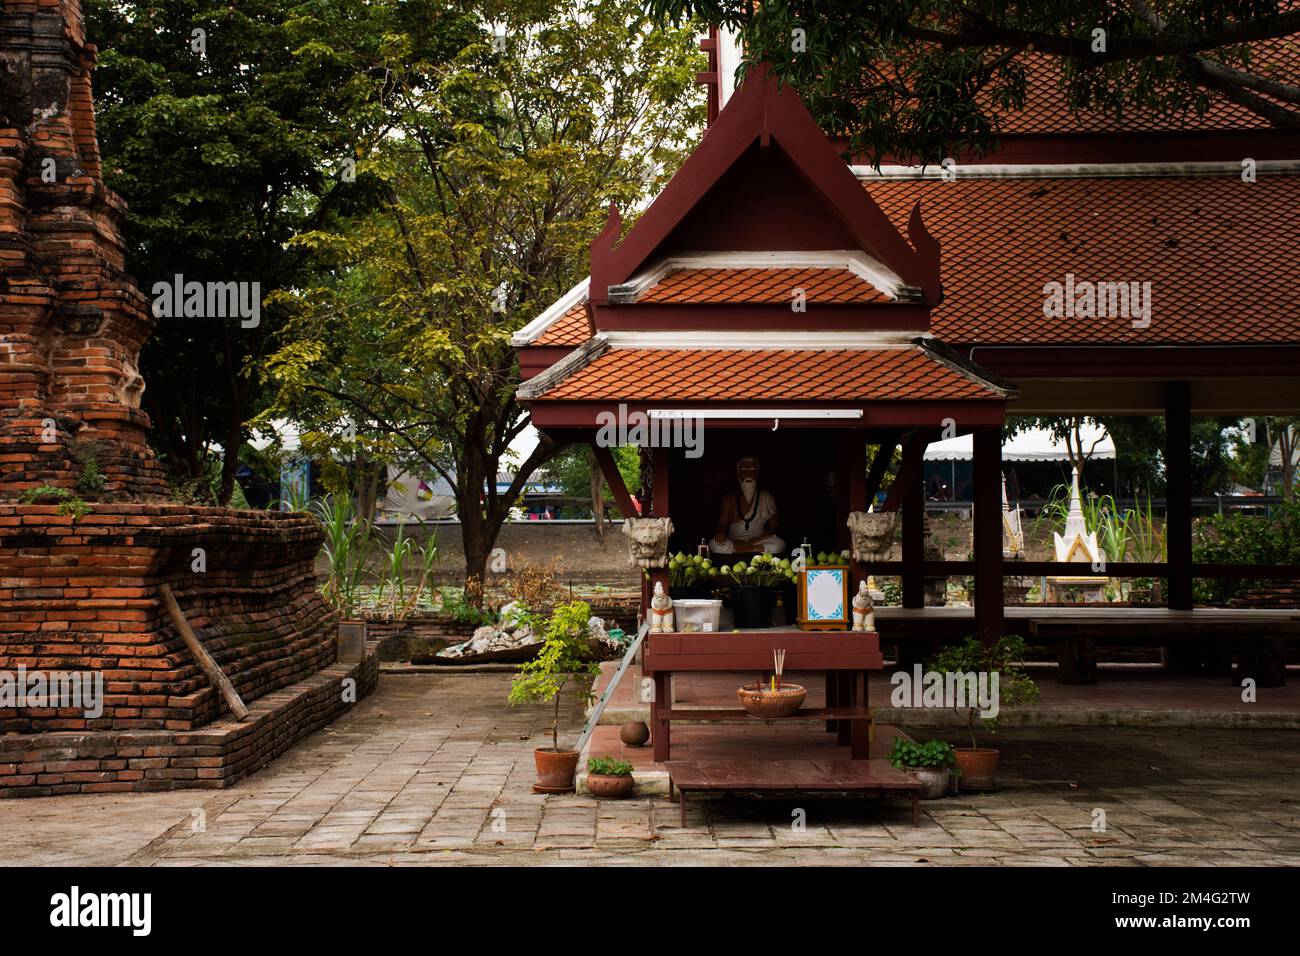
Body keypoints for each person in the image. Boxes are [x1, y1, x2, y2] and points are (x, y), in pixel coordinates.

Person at [710, 456, 785, 555]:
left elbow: (774, 526)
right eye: (744, 471)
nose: (748, 475)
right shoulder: (729, 499)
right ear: (738, 474)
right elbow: (722, 525)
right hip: (734, 541)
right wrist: (720, 533)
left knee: (780, 544)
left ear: (758, 474)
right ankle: (753, 549)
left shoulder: (766, 497)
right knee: (714, 545)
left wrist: (753, 541)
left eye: (753, 471)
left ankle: (741, 549)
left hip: (758, 540)